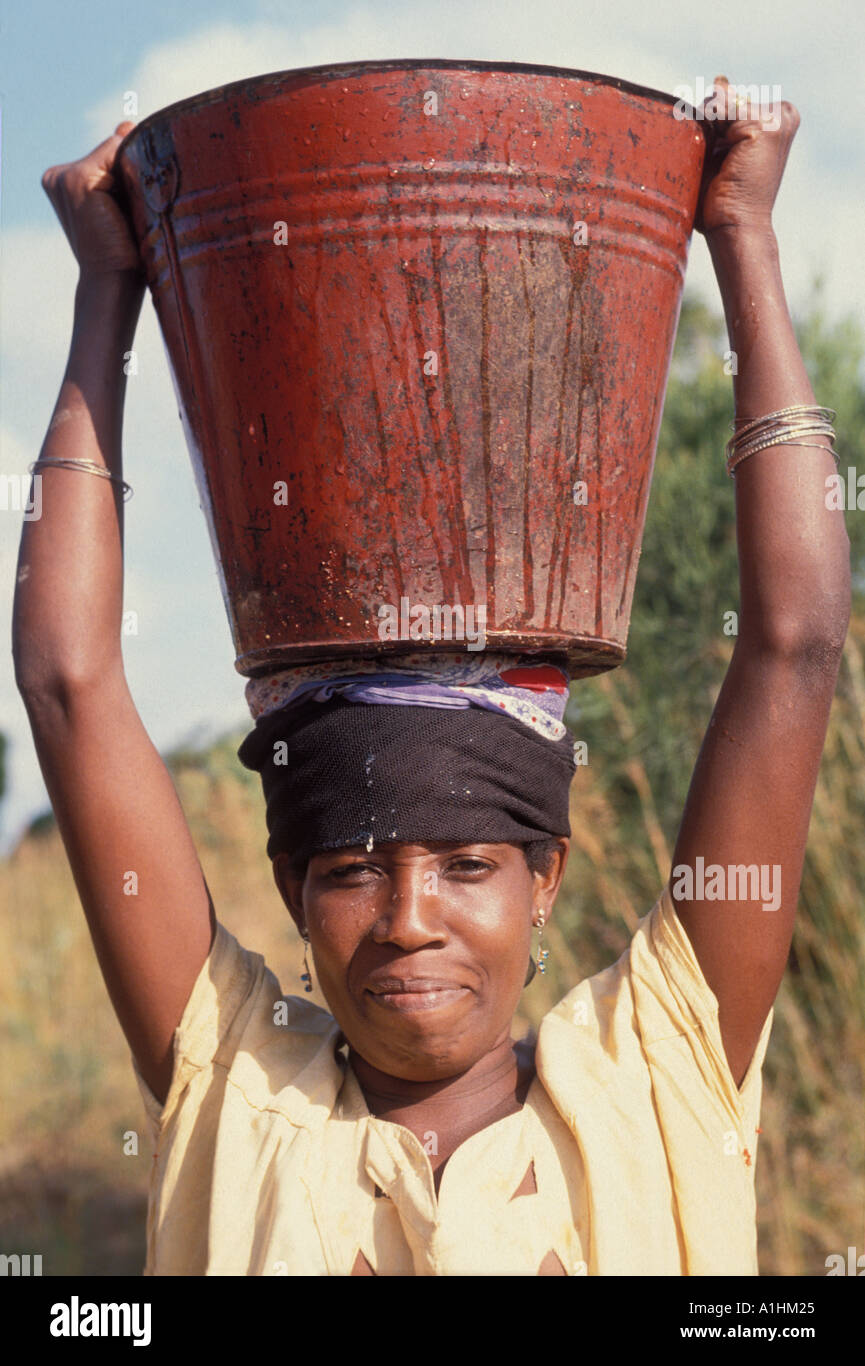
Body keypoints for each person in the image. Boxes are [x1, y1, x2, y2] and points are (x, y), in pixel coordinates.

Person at [14, 75, 850, 1276]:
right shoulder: (240, 1094)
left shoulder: (650, 1084)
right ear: (290, 884)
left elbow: (796, 643)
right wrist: (109, 291)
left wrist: (743, 236)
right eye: (353, 868)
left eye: (468, 864)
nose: (409, 923)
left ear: (546, 876)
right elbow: (66, 681)